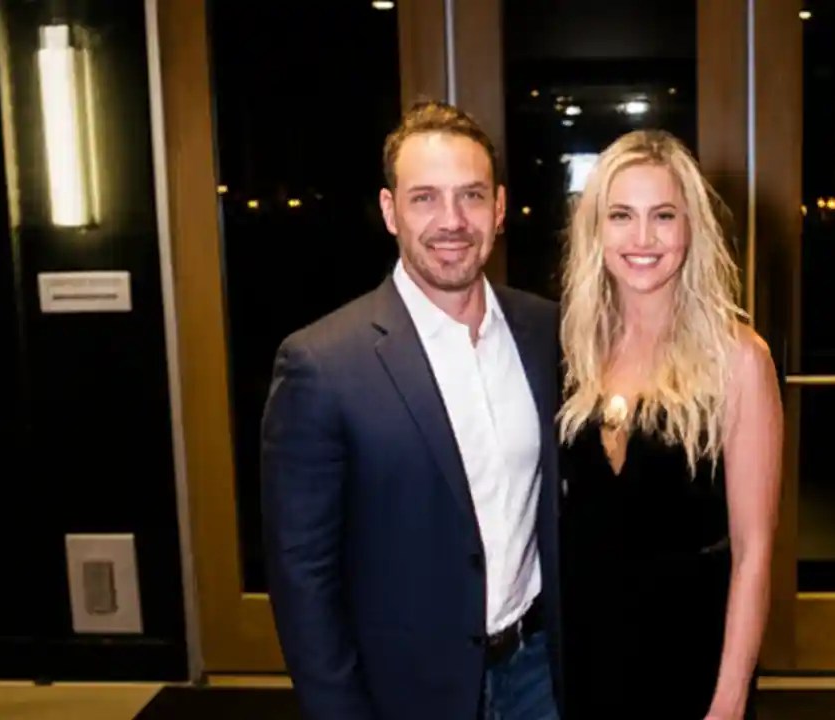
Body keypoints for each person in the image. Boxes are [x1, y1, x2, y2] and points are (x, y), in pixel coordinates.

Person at [261, 101, 562, 720]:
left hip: (540, 673)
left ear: (500, 208)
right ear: (389, 211)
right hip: (406, 693)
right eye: (425, 198)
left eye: (472, 196)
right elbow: (302, 578)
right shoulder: (321, 364)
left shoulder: (547, 331)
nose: (451, 220)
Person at [557, 130, 783, 719]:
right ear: (595, 231)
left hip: (692, 657)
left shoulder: (739, 359)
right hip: (583, 659)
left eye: (663, 215)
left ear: (692, 228)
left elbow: (755, 552)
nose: (642, 238)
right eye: (621, 216)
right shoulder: (572, 350)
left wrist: (730, 699)